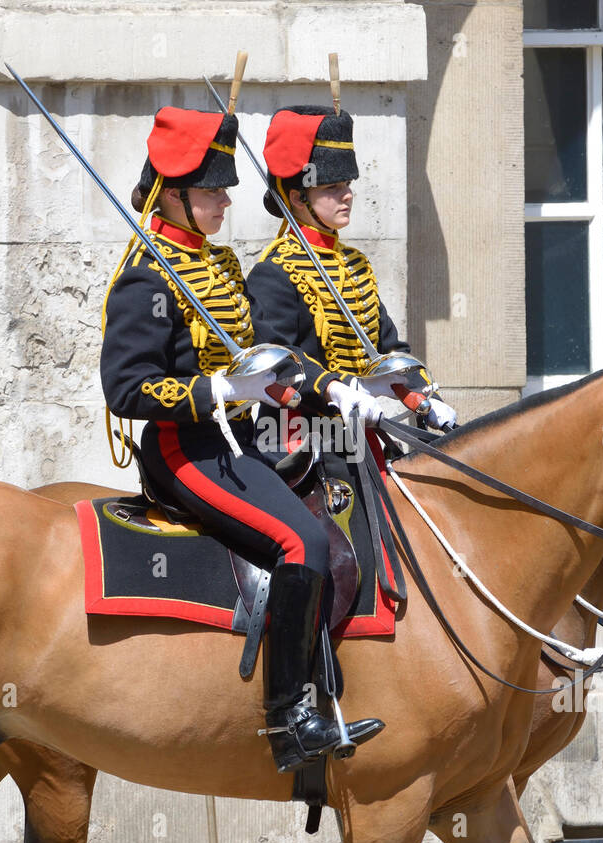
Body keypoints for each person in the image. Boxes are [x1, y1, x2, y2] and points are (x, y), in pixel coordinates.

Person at [99, 105, 383, 773]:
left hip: (240, 443)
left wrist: (322, 388)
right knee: (301, 541)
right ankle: (290, 717)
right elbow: (127, 388)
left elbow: (266, 357)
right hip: (184, 450)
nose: (225, 201)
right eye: (209, 191)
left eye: (224, 189)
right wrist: (218, 393)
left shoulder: (218, 266)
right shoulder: (148, 276)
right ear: (174, 194)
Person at [245, 105, 459, 433]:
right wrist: (337, 388)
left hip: (361, 430)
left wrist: (426, 394)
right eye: (332, 187)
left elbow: (390, 348)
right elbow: (281, 360)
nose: (347, 195)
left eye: (347, 184)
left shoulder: (355, 265)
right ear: (298, 198)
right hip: (298, 433)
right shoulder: (273, 273)